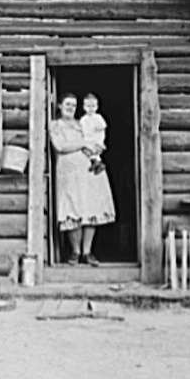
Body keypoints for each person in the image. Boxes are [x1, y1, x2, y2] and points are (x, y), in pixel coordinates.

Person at [49, 92, 116, 266]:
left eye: (73, 105)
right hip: (69, 173)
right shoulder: (55, 125)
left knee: (90, 208)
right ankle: (75, 252)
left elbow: (96, 140)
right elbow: (60, 146)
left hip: (88, 171)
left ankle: (87, 252)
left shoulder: (83, 123)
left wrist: (97, 147)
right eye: (67, 105)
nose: (71, 108)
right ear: (59, 106)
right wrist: (83, 144)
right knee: (72, 208)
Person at [79, 92, 107, 175]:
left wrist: (96, 126)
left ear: (97, 107)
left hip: (97, 140)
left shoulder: (98, 117)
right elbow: (81, 128)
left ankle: (98, 163)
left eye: (93, 106)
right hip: (88, 140)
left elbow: (103, 126)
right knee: (87, 152)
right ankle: (97, 163)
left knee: (95, 151)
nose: (91, 109)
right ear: (84, 107)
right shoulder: (83, 119)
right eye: (88, 106)